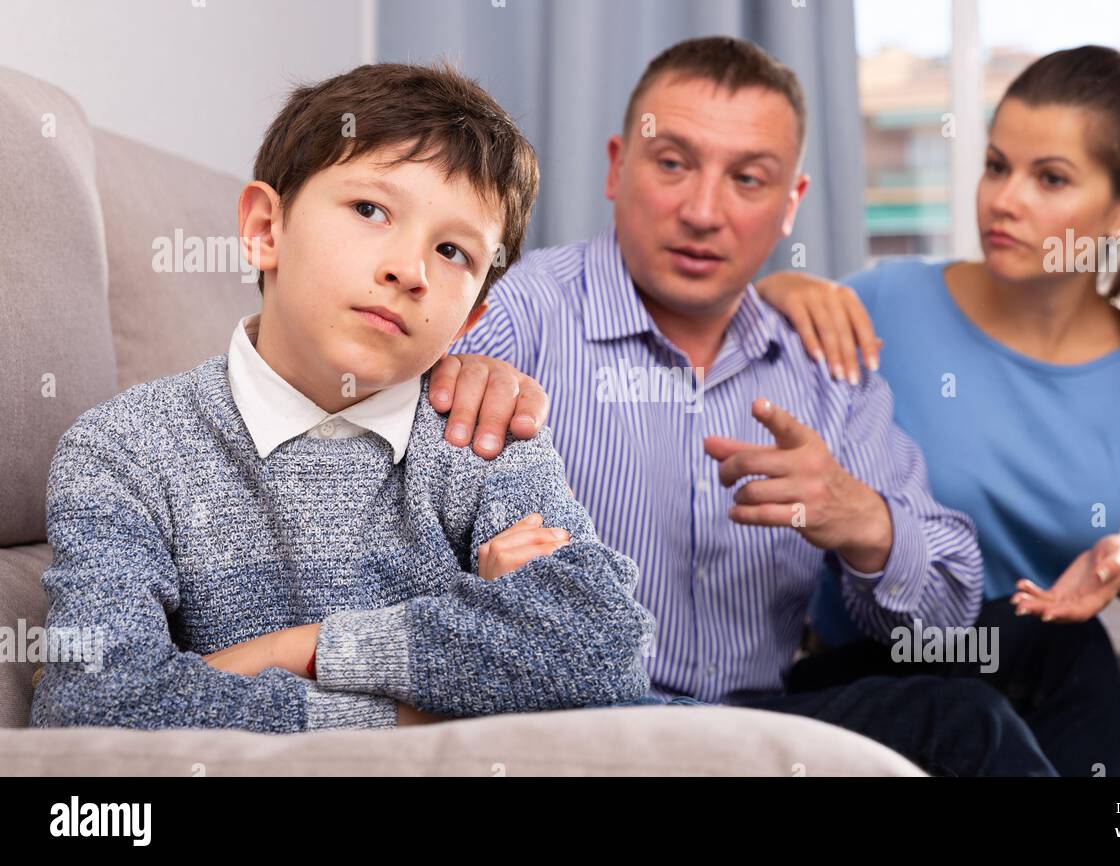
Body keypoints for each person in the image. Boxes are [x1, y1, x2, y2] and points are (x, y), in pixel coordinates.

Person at [439, 36, 1055, 776]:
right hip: (584, 726)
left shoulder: (823, 365)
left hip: (759, 726)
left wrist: (863, 523)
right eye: (672, 163)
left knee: (967, 722)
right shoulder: (519, 315)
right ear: (616, 166)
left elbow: (947, 615)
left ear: (791, 203)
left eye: (749, 179)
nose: (703, 212)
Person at [28, 61, 656, 732]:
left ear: (470, 318)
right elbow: (92, 704)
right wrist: (424, 711)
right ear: (266, 230)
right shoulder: (125, 449)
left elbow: (607, 647)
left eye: (452, 252)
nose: (408, 270)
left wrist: (294, 650)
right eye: (370, 210)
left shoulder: (483, 438)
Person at [755, 45, 1120, 776]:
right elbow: (717, 371)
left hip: (1039, 678)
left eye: (1051, 179)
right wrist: (768, 297)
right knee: (1064, 652)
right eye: (996, 164)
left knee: (1074, 645)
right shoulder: (882, 302)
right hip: (871, 668)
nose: (1004, 200)